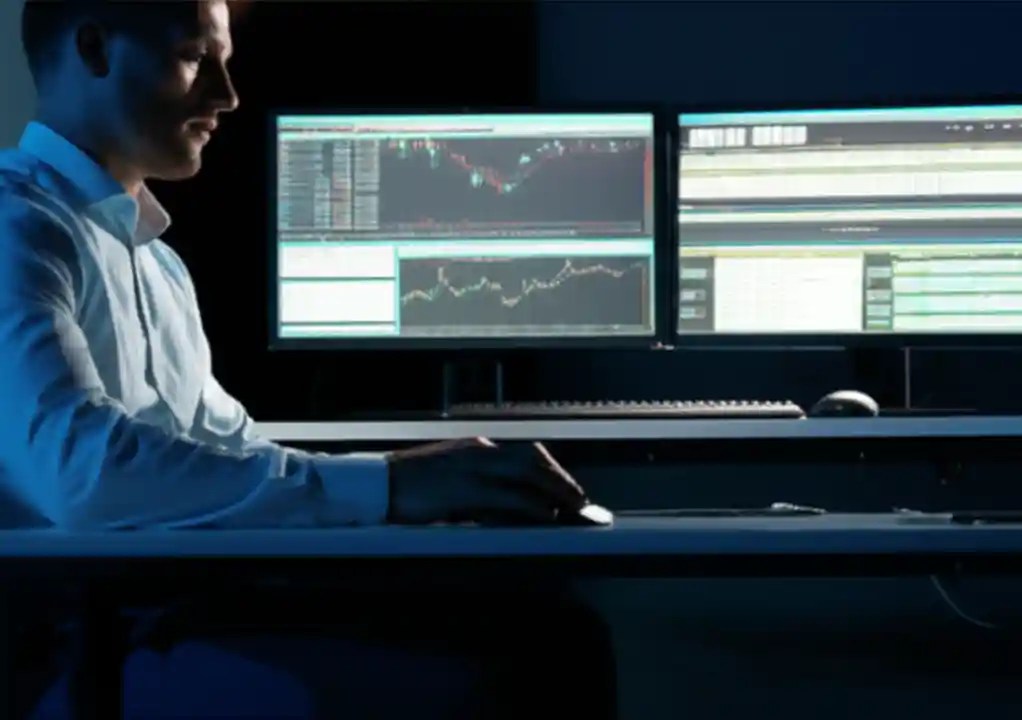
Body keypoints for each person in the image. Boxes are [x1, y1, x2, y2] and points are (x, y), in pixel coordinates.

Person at [0, 0, 616, 717]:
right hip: (81, 652)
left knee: (554, 631)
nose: (227, 95)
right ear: (95, 50)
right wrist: (388, 488)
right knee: (515, 670)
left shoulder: (156, 264)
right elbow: (86, 473)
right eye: (198, 58)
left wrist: (424, 481)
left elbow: (227, 447)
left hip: (178, 619)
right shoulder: (19, 230)